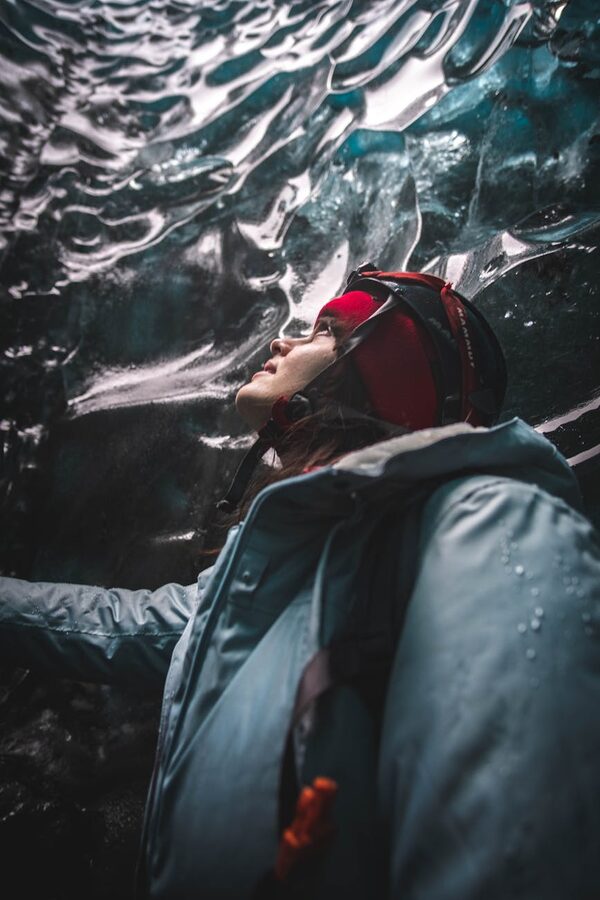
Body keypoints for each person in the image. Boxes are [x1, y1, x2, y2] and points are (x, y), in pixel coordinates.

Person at [0, 265, 599, 900]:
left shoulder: (485, 521)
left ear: (385, 374)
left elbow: (514, 848)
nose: (280, 342)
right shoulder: (271, 565)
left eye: (322, 330)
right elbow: (114, 625)